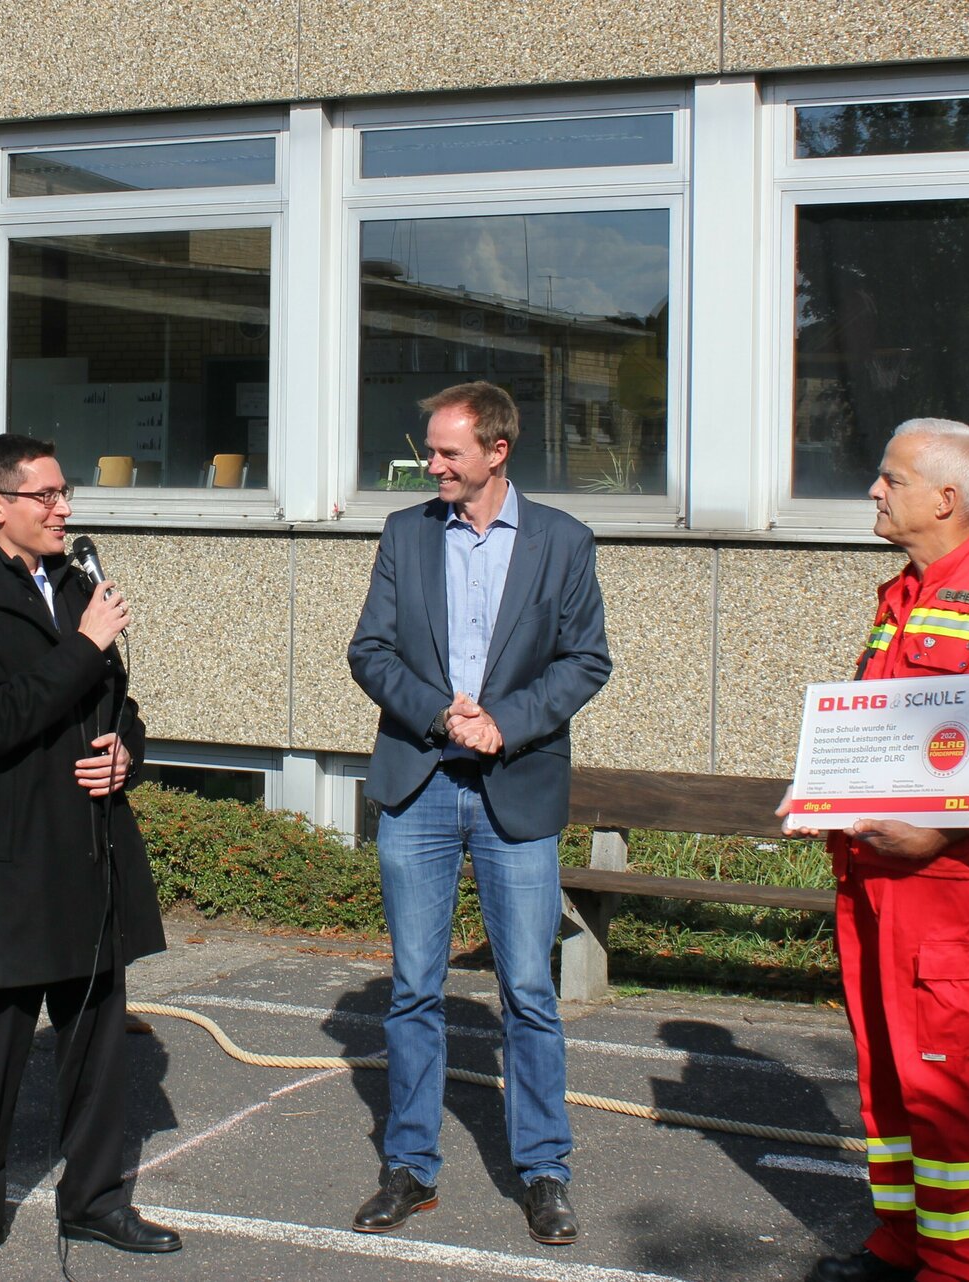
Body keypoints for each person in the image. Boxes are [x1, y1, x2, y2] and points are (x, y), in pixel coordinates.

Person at [781, 419, 969, 1282]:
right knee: (888, 1078)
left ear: (945, 499)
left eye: (890, 478)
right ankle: (902, 1244)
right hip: (871, 877)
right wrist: (821, 792)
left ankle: (963, 1268)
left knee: (946, 1086)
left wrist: (934, 833)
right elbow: (884, 737)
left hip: (944, 887)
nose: (874, 490)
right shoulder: (900, 596)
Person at [347, 381, 611, 1246]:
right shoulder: (406, 533)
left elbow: (585, 660)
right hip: (419, 785)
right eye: (430, 449)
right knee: (414, 988)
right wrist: (439, 714)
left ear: (497, 451)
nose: (432, 465)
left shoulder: (563, 541)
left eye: (447, 452)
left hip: (516, 786)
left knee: (528, 989)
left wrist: (506, 722)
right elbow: (369, 650)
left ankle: (543, 1171)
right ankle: (410, 1167)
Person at [0, 435, 179, 1274]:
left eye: (66, 494)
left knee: (97, 1034)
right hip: (12, 855)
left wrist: (128, 751)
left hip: (91, 845)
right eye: (48, 495)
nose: (65, 508)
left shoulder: (76, 586)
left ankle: (95, 1200)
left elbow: (117, 703)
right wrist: (86, 644)